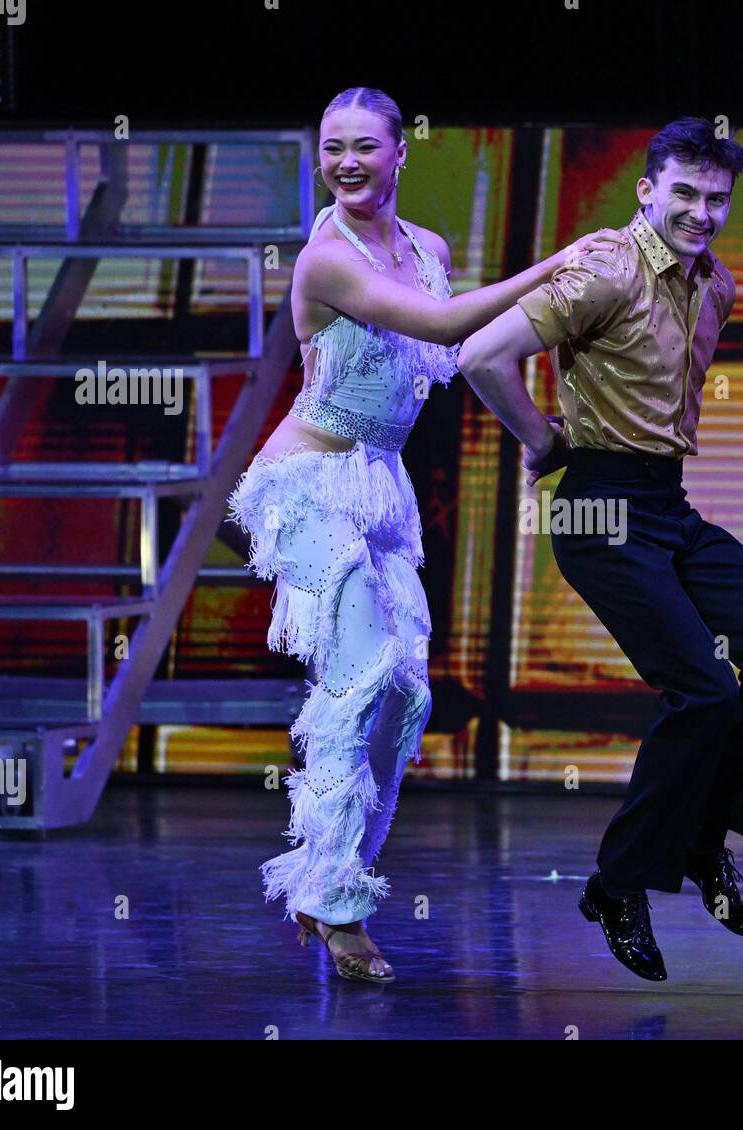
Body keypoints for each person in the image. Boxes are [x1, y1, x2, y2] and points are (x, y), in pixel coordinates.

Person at [227, 86, 622, 983]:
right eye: (332, 148)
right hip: (303, 489)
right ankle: (330, 901)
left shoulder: (428, 250)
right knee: (361, 671)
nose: (347, 163)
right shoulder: (327, 259)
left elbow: (459, 356)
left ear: (402, 152)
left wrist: (540, 439)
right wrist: (560, 262)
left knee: (406, 700)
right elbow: (446, 320)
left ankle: (337, 879)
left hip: (378, 488)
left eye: (365, 145)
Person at [457, 117, 743, 981]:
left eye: (718, 199)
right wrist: (543, 442)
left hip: (664, 504)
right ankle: (618, 885)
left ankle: (701, 844)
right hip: (597, 508)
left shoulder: (717, 287)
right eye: (686, 194)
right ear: (648, 191)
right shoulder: (606, 267)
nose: (701, 212)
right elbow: (481, 355)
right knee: (701, 690)